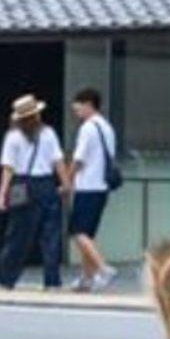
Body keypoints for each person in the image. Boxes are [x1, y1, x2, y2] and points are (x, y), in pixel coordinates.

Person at [0, 94, 66, 290]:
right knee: (50, 234)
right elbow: (58, 161)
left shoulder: (12, 137)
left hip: (20, 184)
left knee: (17, 234)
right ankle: (52, 281)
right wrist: (66, 184)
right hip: (46, 184)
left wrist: (2, 194)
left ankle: (6, 279)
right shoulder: (49, 134)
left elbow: (8, 168)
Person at [66, 88, 119, 292]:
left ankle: (102, 269)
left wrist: (67, 181)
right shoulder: (107, 127)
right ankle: (86, 278)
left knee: (78, 231)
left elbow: (79, 159)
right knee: (87, 234)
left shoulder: (88, 128)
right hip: (102, 186)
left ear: (88, 104)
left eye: (78, 108)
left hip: (87, 185)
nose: (77, 112)